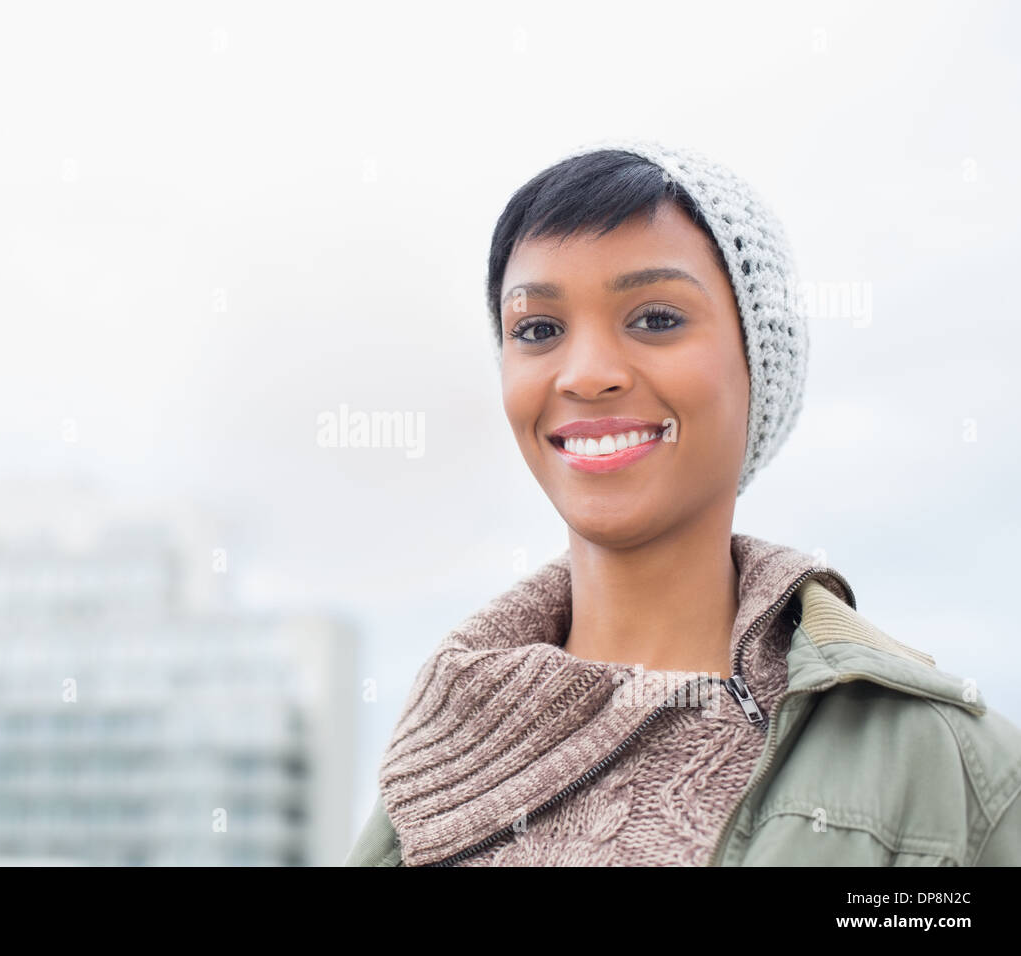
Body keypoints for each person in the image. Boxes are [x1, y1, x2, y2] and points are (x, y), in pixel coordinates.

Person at [343, 139, 1021, 867]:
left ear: (760, 360)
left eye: (656, 318)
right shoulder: (431, 771)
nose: (588, 374)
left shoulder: (952, 771)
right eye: (538, 330)